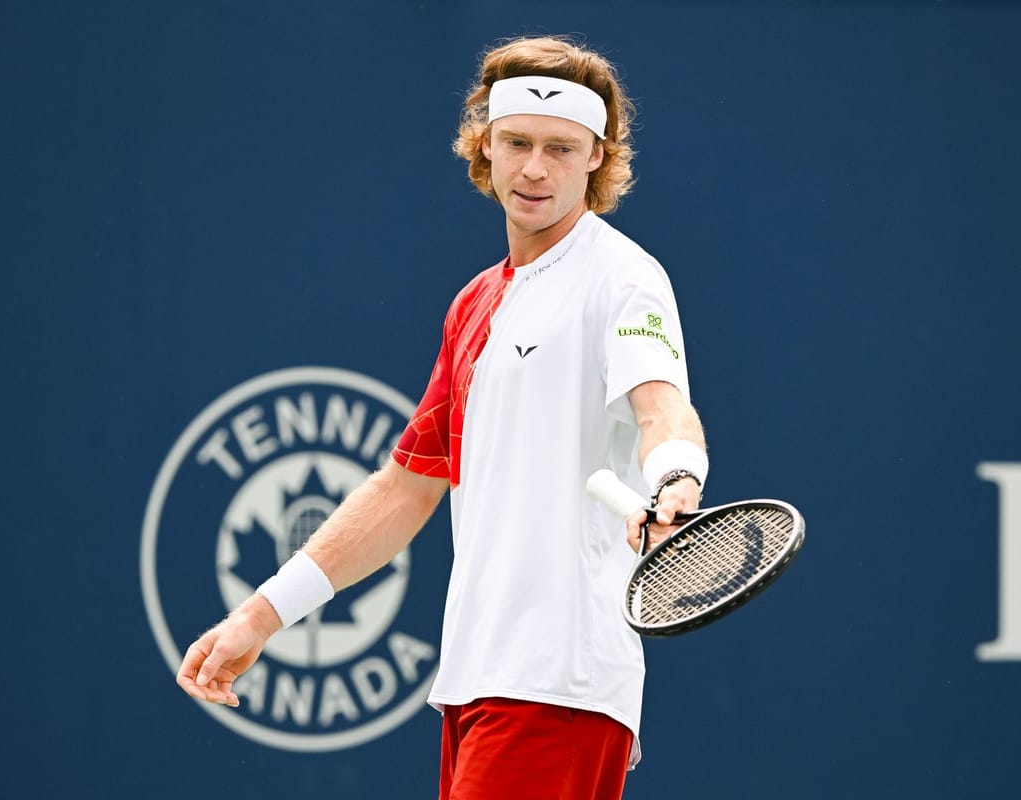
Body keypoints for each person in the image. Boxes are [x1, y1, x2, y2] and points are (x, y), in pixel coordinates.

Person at [176, 34, 709, 800]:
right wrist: (261, 617)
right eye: (516, 142)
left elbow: (662, 408)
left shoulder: (625, 279)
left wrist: (676, 477)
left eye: (560, 149)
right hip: (477, 680)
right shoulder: (476, 304)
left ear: (597, 155)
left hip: (557, 680)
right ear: (484, 145)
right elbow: (405, 489)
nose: (533, 169)